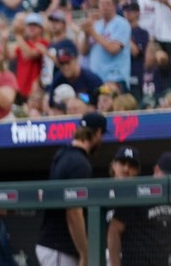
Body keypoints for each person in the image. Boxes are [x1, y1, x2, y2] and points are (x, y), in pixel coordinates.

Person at [35, 112, 106, 266]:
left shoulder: (63, 154)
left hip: (54, 245)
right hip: (59, 247)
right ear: (98, 133)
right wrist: (84, 252)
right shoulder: (79, 163)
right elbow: (73, 211)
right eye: (102, 135)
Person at [107, 148, 171, 266]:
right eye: (167, 176)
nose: (170, 181)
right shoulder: (138, 193)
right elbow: (114, 229)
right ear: (156, 170)